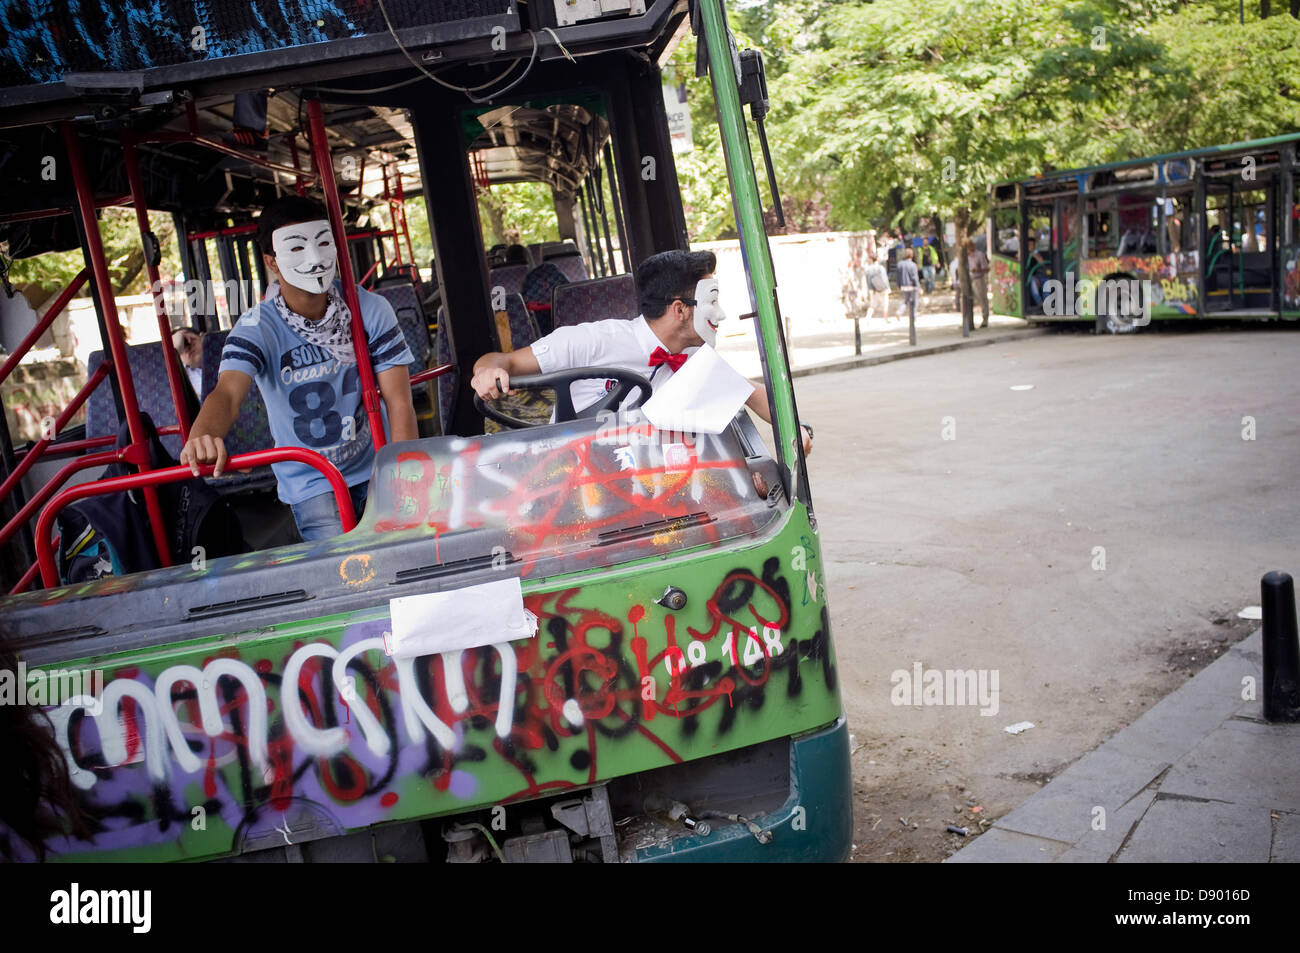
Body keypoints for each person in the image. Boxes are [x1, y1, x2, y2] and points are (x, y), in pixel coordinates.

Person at [179, 196, 418, 541]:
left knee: (403, 545)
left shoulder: (369, 309)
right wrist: (202, 435)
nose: (315, 258)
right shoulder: (257, 327)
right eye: (297, 248)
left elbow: (399, 401)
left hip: (375, 461)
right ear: (271, 263)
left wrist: (403, 477)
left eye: (323, 243)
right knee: (350, 569)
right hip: (310, 479)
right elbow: (228, 393)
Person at [471, 249, 813, 455]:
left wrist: (795, 428)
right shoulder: (592, 340)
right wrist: (487, 372)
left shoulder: (695, 360)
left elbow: (752, 394)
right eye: (712, 301)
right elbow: (503, 360)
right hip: (567, 471)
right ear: (680, 309)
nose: (721, 314)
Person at [172, 328, 205, 397]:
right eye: (182, 346)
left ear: (202, 336)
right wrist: (176, 350)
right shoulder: (182, 380)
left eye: (186, 341)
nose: (187, 348)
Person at [966, 239, 990, 328]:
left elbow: (986, 269)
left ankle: (985, 318)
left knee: (982, 299)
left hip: (979, 278)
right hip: (970, 280)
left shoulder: (979, 255)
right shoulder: (966, 256)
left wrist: (977, 270)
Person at [897, 247, 920, 328]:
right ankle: (913, 316)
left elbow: (898, 277)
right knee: (915, 301)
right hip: (912, 286)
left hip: (904, 286)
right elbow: (914, 277)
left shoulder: (900, 264)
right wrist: (918, 287)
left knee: (906, 301)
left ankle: (900, 312)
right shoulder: (913, 265)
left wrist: (899, 285)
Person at [865, 253, 890, 322]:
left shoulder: (869, 269)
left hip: (873, 289)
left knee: (873, 305)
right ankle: (886, 319)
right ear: (877, 259)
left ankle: (868, 318)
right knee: (885, 303)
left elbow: (868, 280)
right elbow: (884, 278)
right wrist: (888, 287)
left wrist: (870, 289)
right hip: (882, 288)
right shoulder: (881, 268)